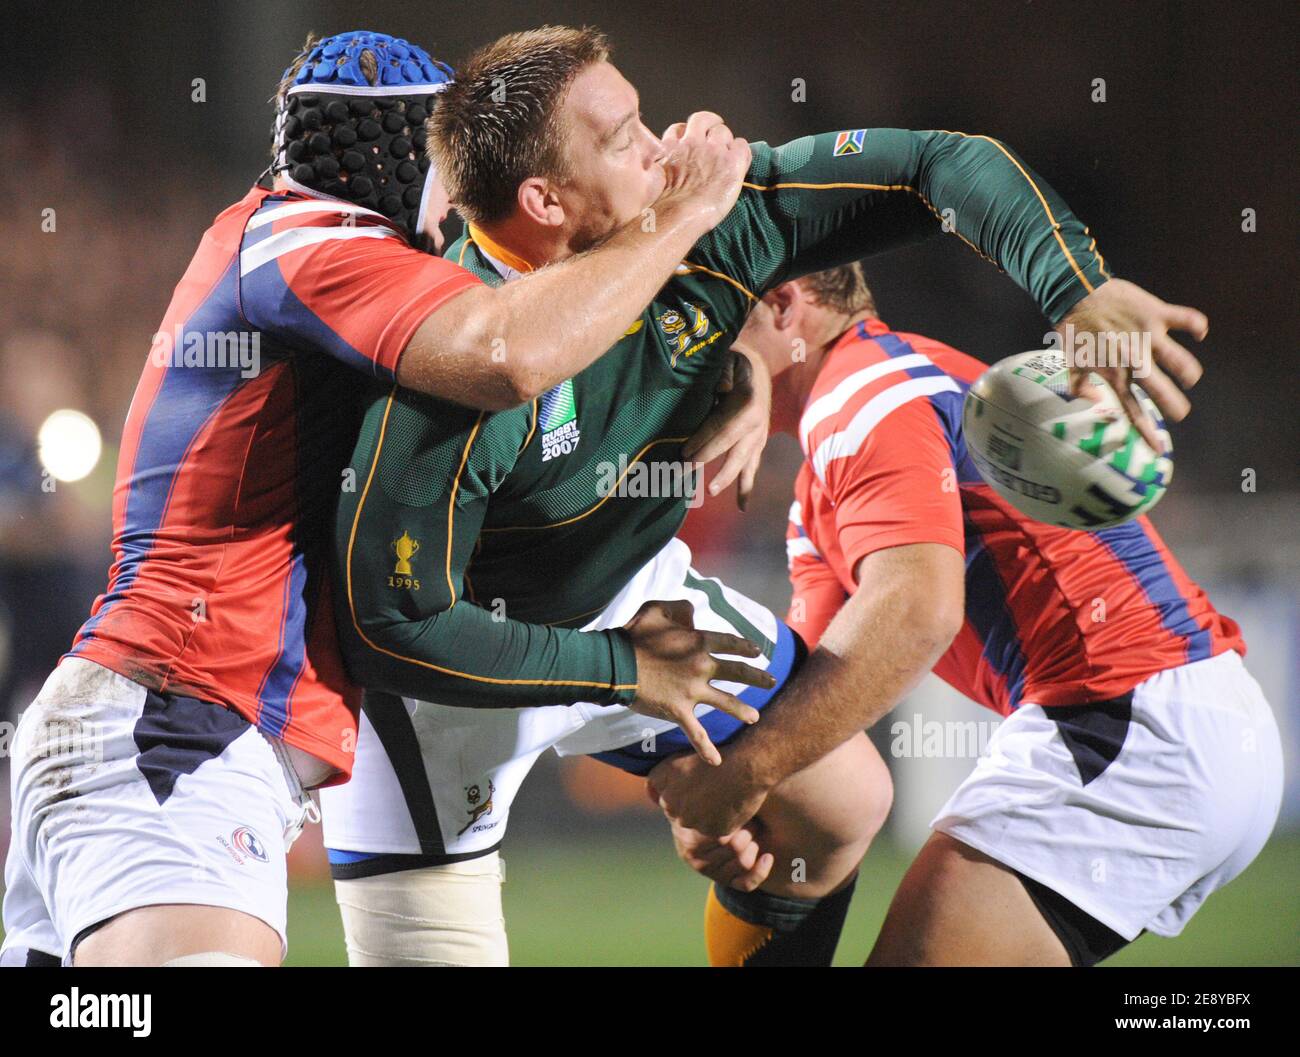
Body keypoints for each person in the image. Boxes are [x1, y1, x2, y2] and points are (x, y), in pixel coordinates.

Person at [320, 24, 1209, 967]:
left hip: (632, 597)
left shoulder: (710, 219)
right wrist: (622, 673)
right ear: (544, 199)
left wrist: (1075, 289)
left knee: (835, 805)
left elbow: (942, 168)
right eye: (622, 138)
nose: (664, 146)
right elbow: (392, 625)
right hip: (449, 686)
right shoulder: (449, 361)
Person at [0, 28, 756, 967]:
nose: (462, 199)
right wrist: (680, 216)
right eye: (446, 162)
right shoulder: (319, 242)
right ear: (404, 156)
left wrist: (734, 371)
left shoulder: (291, 243)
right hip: (180, 729)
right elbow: (509, 352)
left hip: (150, 728)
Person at [654, 263, 1283, 966]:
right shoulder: (844, 431)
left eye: (705, 311)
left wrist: (742, 777)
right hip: (1160, 725)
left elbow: (921, 609)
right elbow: (808, 703)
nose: (686, 338)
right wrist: (746, 794)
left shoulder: (865, 393)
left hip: (1127, 727)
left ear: (781, 304)